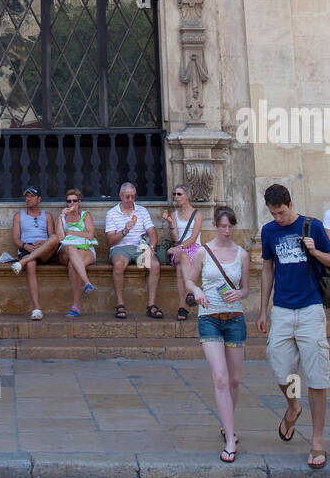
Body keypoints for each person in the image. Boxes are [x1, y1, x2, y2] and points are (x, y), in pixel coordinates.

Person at [258, 183, 330, 470]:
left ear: (290, 204)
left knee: (317, 376)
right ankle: (293, 406)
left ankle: (317, 441)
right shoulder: (269, 231)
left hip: (310, 308)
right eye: (272, 213)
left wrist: (315, 251)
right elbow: (267, 268)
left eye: (280, 212)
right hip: (281, 308)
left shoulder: (312, 226)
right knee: (280, 367)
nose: (277, 218)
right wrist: (263, 310)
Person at [187, 205, 251, 463]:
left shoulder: (242, 255)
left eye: (230, 226)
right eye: (222, 226)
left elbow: (246, 289)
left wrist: (240, 293)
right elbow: (190, 280)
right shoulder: (204, 251)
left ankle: (228, 423)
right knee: (220, 378)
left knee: (235, 380)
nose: (226, 230)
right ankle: (229, 439)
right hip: (209, 317)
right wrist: (198, 292)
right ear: (215, 225)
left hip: (235, 317)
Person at [104, 182, 163, 319]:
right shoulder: (112, 213)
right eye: (127, 197)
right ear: (120, 196)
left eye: (133, 197)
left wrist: (152, 248)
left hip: (140, 247)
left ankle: (151, 305)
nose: (130, 200)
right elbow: (111, 240)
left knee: (155, 265)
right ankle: (120, 304)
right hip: (120, 248)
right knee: (118, 264)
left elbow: (152, 232)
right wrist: (125, 231)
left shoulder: (141, 211)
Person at [10, 186, 58, 319]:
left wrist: (43, 243)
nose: (28, 199)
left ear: (39, 199)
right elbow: (15, 239)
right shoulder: (18, 216)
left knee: (54, 238)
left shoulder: (47, 216)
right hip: (27, 246)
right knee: (31, 265)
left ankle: (23, 262)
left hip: (44, 248)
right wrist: (26, 245)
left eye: (31, 196)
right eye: (27, 196)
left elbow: (52, 237)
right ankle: (36, 309)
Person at [161, 183, 203, 320]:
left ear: (187, 196)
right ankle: (192, 291)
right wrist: (171, 224)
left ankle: (182, 307)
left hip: (194, 248)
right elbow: (175, 238)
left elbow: (194, 237)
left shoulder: (197, 214)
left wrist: (177, 248)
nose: (176, 197)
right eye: (174, 194)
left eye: (179, 194)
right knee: (183, 257)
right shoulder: (174, 214)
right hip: (181, 250)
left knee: (180, 268)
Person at [57, 188, 98, 318]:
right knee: (70, 248)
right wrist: (60, 217)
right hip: (66, 251)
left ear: (79, 202)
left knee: (72, 265)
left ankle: (76, 306)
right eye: (69, 201)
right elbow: (59, 237)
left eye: (75, 201)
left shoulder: (85, 215)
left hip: (85, 249)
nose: (72, 203)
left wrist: (72, 232)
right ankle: (87, 282)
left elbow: (90, 235)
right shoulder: (62, 217)